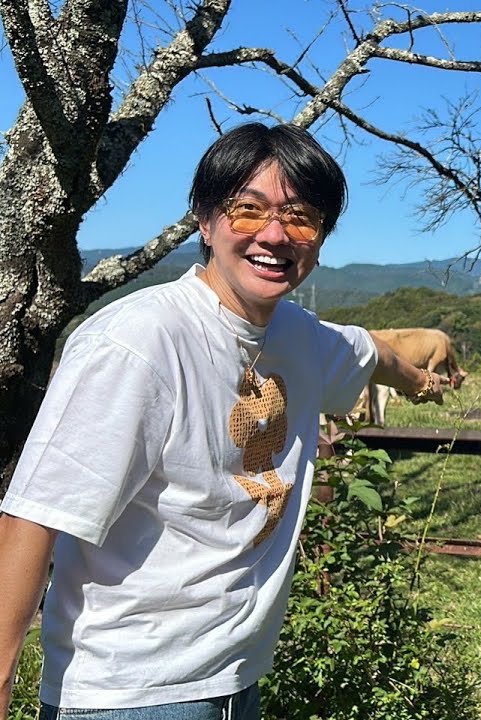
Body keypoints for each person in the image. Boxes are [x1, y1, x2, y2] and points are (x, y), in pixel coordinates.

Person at [0, 123, 447, 719]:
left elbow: (371, 352)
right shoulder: (136, 342)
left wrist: (419, 381)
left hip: (236, 680)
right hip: (131, 692)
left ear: (319, 239)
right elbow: (35, 515)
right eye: (247, 210)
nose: (274, 235)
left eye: (301, 218)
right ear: (205, 222)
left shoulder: (298, 336)